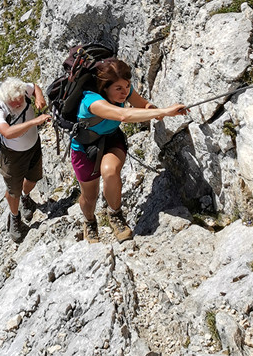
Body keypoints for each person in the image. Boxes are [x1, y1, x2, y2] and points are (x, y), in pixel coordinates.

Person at [71, 58, 186, 243]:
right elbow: (123, 115)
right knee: (89, 197)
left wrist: (152, 109)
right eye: (118, 88)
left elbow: (141, 104)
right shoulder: (92, 101)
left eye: (127, 86)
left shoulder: (123, 91)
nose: (125, 92)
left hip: (111, 139)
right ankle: (90, 221)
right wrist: (164, 111)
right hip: (84, 148)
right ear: (104, 87)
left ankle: (115, 215)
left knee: (109, 172)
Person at [0, 77, 52, 244]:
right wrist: (35, 121)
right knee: (13, 190)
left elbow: (35, 87)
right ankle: (14, 218)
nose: (19, 104)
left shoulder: (21, 89)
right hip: (13, 155)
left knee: (33, 178)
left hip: (33, 145)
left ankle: (26, 198)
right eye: (15, 103)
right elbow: (8, 132)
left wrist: (39, 97)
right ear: (6, 100)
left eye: (21, 100)